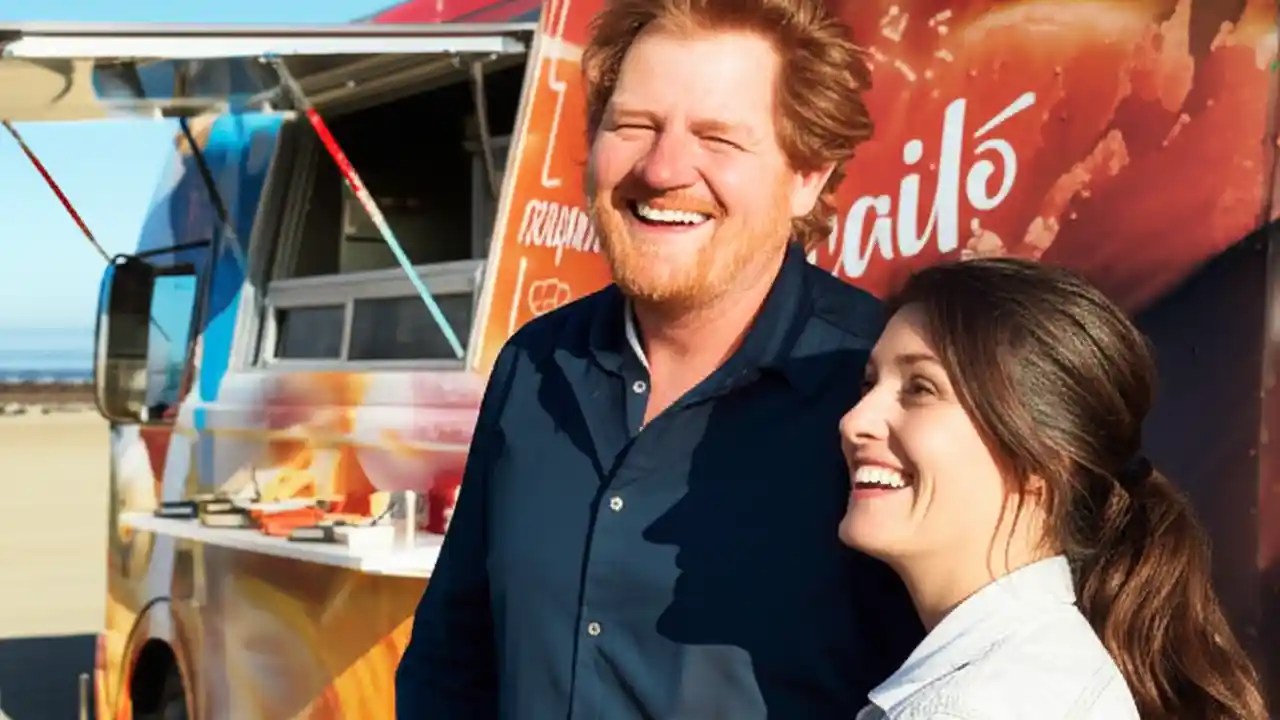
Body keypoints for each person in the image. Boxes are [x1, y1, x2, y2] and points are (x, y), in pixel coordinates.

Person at [393, 0, 923, 716]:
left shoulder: (883, 392)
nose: (664, 167)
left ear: (808, 177)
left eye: (718, 138)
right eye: (634, 125)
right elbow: (452, 658)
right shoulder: (535, 366)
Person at [839, 257, 1268, 719]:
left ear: (1043, 458)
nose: (853, 421)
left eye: (921, 388)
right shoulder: (1027, 675)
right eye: (869, 384)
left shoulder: (983, 703)